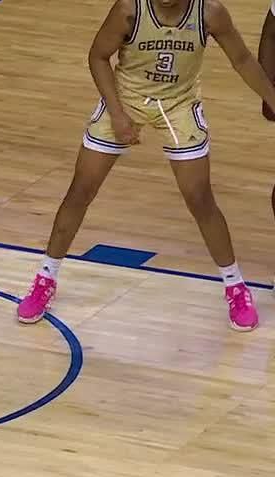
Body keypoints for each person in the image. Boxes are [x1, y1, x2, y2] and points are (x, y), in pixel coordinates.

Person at [16, 0, 275, 331]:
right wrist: (118, 114)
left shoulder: (209, 12)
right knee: (81, 190)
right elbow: (97, 56)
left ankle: (236, 287)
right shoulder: (129, 9)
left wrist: (273, 99)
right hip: (126, 99)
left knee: (200, 198)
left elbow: (241, 59)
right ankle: (45, 278)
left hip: (180, 104)